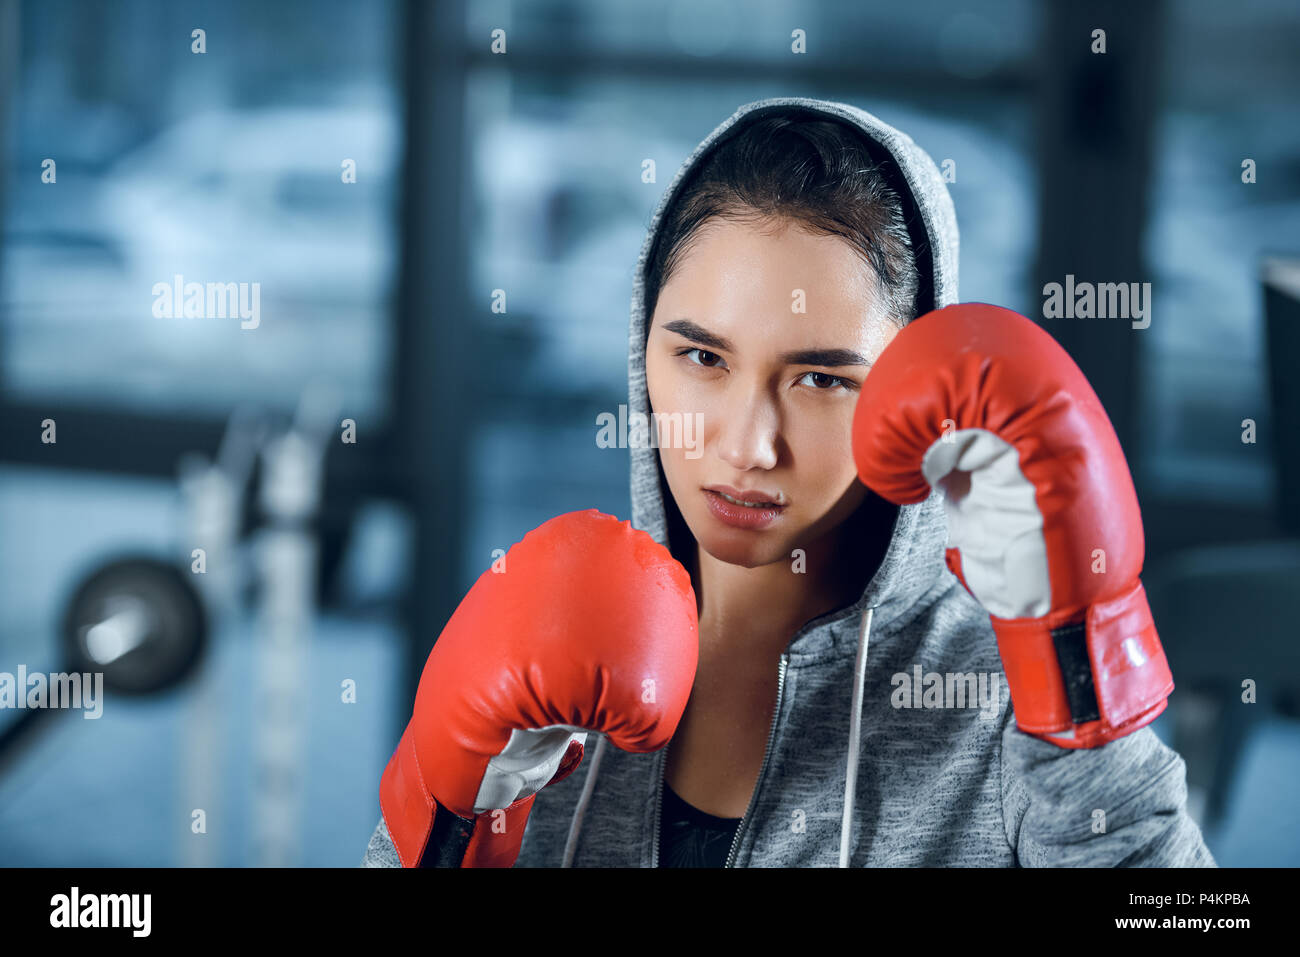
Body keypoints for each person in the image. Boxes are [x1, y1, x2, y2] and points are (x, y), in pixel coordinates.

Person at [362, 96, 1215, 867]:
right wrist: (448, 832)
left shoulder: (997, 698)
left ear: (916, 387)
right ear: (643, 348)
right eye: (703, 357)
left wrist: (1084, 689)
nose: (748, 445)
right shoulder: (548, 661)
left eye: (820, 378)